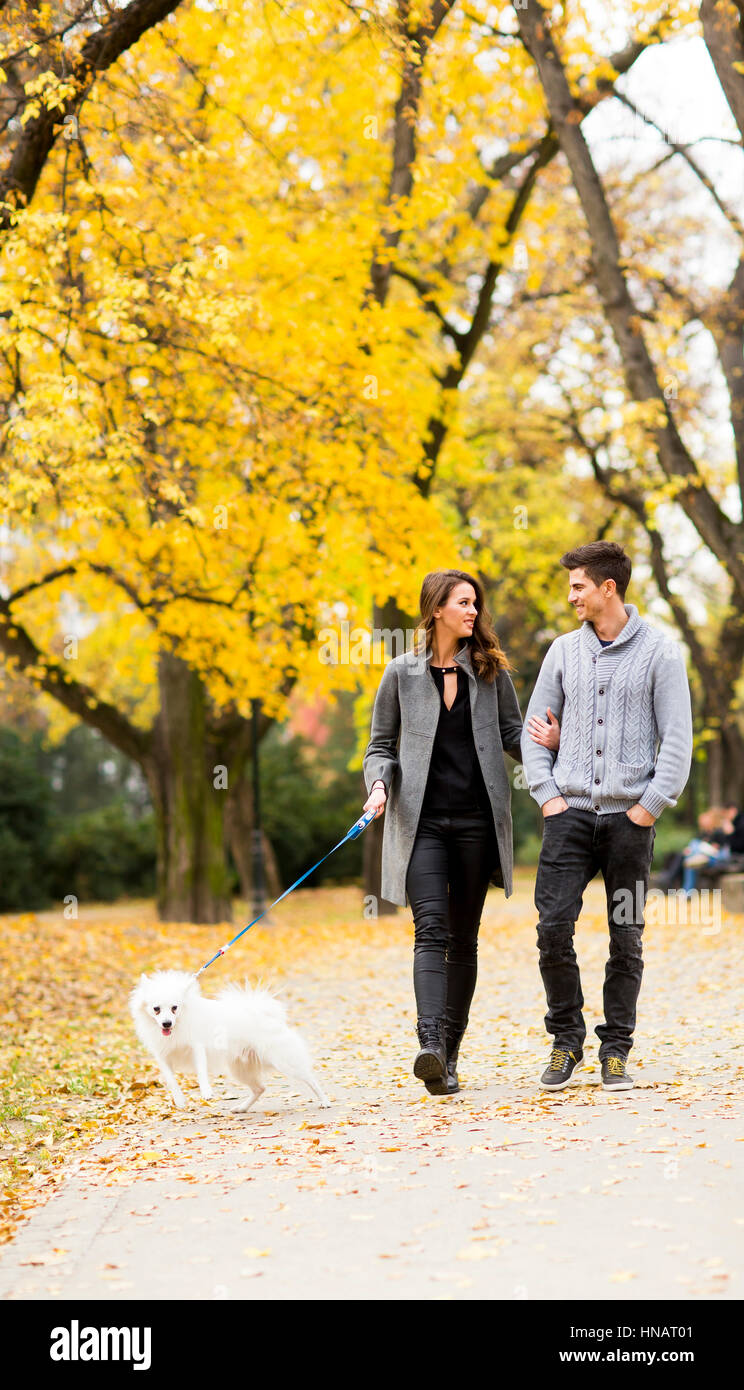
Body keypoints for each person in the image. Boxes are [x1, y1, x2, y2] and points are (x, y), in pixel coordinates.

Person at [362, 569, 558, 1095]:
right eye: (464, 603)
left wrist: (553, 745)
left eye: (476, 604)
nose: (474, 612)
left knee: (464, 938)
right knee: (430, 930)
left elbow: (515, 734)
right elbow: (379, 746)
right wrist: (379, 786)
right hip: (420, 822)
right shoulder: (400, 674)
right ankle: (428, 1041)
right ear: (436, 609)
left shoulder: (491, 672)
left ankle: (448, 1054)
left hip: (477, 823)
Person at [521, 541, 693, 1092]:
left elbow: (677, 743)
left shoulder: (661, 655)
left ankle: (615, 1048)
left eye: (577, 586)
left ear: (607, 588)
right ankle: (566, 1041)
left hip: (629, 825)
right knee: (552, 927)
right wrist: (548, 795)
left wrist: (647, 809)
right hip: (567, 818)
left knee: (627, 936)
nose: (571, 596)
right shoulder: (561, 652)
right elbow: (533, 732)